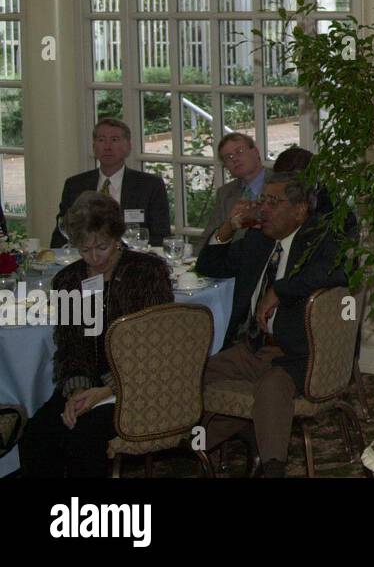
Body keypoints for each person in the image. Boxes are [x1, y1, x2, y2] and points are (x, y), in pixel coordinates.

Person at [198, 172, 347, 477]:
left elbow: (335, 273)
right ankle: (197, 444)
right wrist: (231, 226)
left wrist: (280, 289)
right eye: (262, 200)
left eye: (273, 202)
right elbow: (208, 266)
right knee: (195, 373)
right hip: (252, 348)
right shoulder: (258, 241)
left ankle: (272, 468)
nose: (263, 209)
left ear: (300, 209)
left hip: (298, 353)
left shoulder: (319, 239)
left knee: (271, 388)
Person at [19, 193, 173, 477]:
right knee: (37, 435)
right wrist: (77, 391)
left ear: (117, 236)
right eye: (84, 249)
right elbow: (70, 345)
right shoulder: (69, 280)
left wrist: (107, 389)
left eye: (101, 247)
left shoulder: (146, 272)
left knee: (83, 438)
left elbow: (157, 348)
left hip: (138, 382)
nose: (94, 257)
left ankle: (91, 520)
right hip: (87, 379)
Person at [50, 118, 171, 247]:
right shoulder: (75, 185)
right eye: (101, 140)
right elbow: (61, 234)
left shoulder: (150, 186)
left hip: (132, 261)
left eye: (114, 140)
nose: (107, 147)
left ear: (128, 146)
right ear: (94, 146)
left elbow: (160, 236)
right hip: (84, 259)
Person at [198, 133, 271, 255]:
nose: (235, 159)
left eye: (239, 151)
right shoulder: (225, 193)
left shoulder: (280, 183)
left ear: (256, 152)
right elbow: (207, 241)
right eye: (228, 157)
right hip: (230, 265)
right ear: (226, 166)